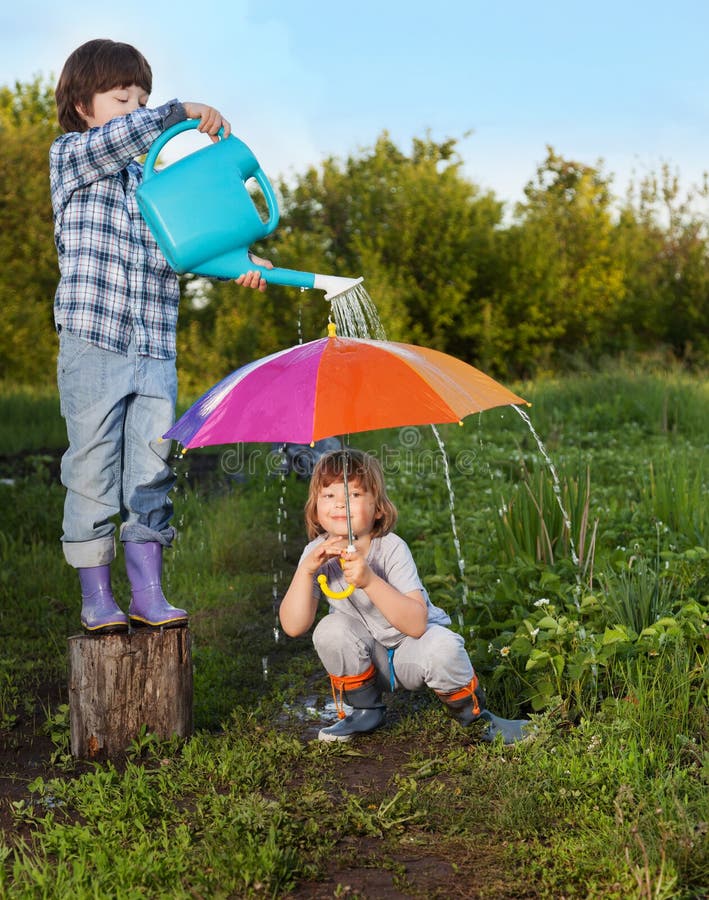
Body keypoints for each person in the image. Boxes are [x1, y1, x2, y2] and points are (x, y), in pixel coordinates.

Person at [51, 38, 272, 634]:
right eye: (121, 96)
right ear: (81, 106)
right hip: (94, 342)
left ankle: (148, 590)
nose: (134, 106)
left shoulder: (157, 187)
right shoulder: (72, 156)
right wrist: (177, 112)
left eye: (142, 96)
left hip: (154, 348)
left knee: (151, 471)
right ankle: (96, 594)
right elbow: (122, 138)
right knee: (93, 469)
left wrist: (241, 263)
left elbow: (187, 249)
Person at [279, 449, 531, 744]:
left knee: (443, 646)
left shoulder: (391, 548)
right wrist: (305, 572)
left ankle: (475, 717)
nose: (340, 505)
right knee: (329, 630)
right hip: (367, 660)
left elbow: (416, 625)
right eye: (328, 495)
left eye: (354, 495)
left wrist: (369, 580)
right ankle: (364, 710)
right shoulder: (315, 554)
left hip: (411, 652)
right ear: (314, 508)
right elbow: (294, 626)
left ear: (379, 509)